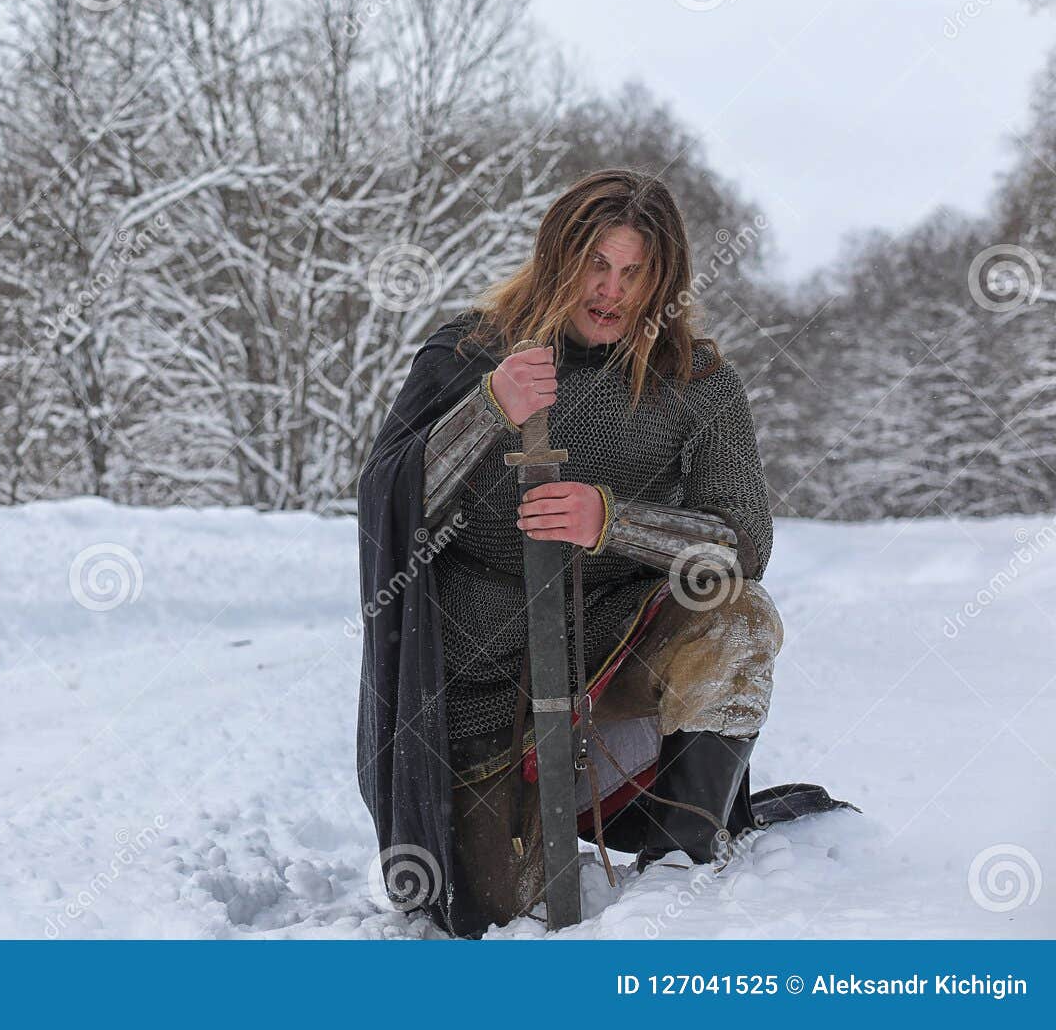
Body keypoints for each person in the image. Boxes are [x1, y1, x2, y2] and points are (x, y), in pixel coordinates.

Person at [356, 168, 845, 939]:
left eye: (633, 271)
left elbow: (744, 540)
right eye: (595, 264)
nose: (610, 290)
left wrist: (610, 520)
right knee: (489, 919)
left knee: (736, 612)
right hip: (482, 686)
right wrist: (489, 409)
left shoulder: (700, 383)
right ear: (559, 260)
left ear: (663, 279)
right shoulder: (470, 349)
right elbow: (391, 498)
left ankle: (681, 867)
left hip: (617, 644)